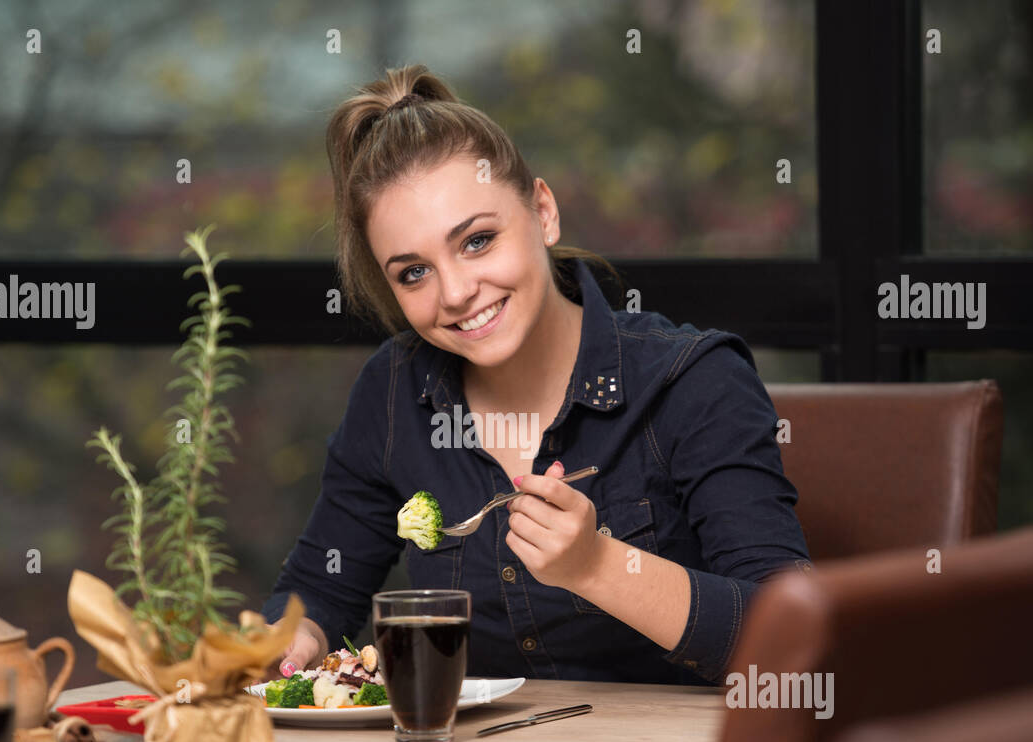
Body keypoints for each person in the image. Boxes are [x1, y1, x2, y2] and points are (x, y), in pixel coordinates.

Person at [261, 64, 811, 686]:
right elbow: (319, 590)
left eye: (477, 241)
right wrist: (282, 647)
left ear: (543, 213)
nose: (457, 292)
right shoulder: (392, 393)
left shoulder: (693, 380)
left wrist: (596, 564)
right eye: (413, 272)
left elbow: (790, 638)